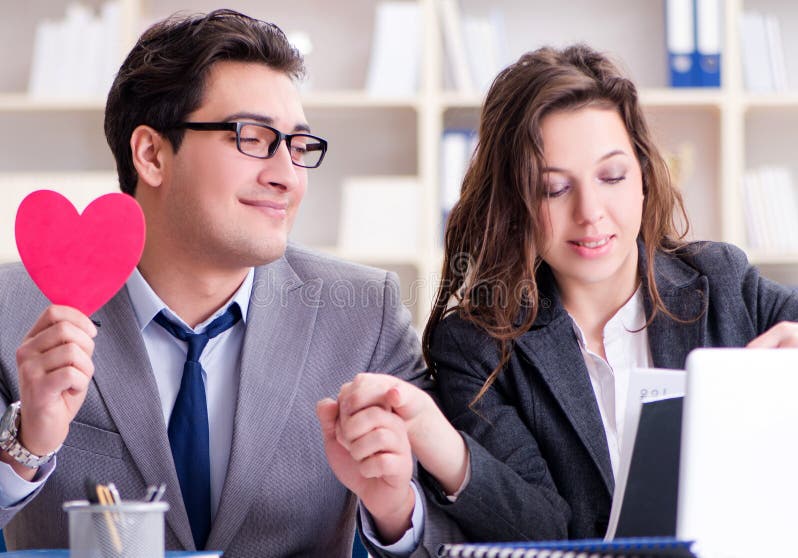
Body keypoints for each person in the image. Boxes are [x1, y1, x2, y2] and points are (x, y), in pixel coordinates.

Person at [0, 9, 457, 557]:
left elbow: (458, 532)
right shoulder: (13, 312)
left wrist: (393, 511)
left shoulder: (364, 314)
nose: (286, 175)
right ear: (151, 154)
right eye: (254, 138)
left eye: (299, 146)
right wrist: (23, 447)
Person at [325, 43, 798, 545]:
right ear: (513, 202)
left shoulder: (721, 282)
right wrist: (442, 445)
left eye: (612, 176)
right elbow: (544, 529)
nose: (591, 211)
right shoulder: (477, 345)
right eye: (554, 189)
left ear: (641, 176)